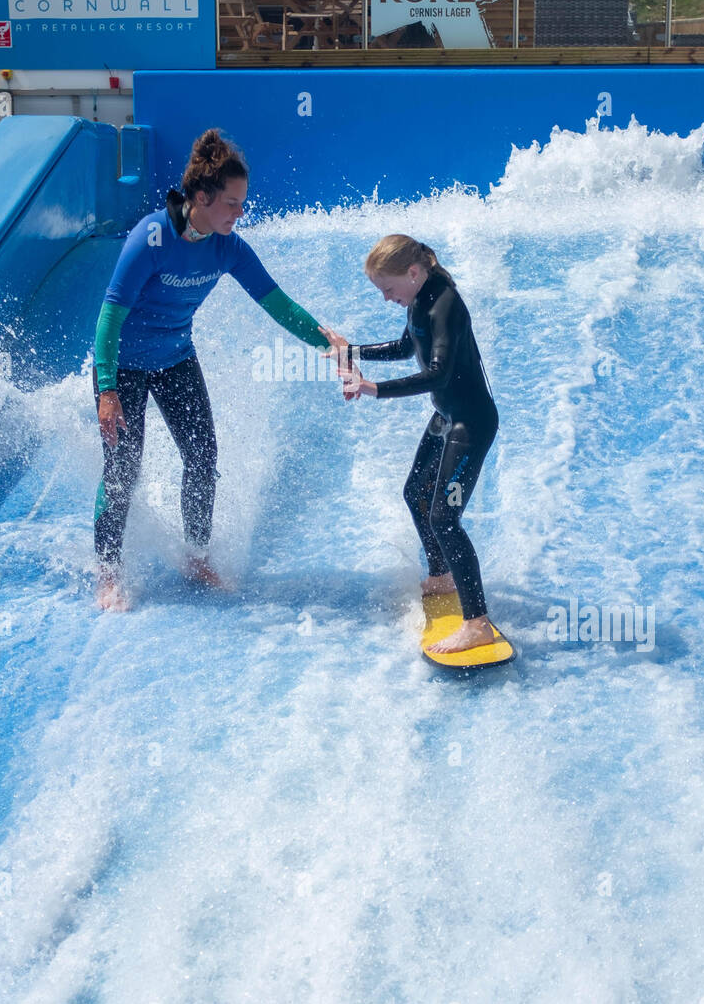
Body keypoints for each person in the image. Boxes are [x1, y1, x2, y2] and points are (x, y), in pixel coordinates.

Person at [93, 129, 332, 611]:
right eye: (231, 203)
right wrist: (106, 388)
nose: (239, 213)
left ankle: (196, 557)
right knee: (123, 468)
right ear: (200, 197)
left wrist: (328, 342)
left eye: (241, 203)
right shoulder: (152, 237)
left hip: (176, 358)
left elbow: (277, 305)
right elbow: (110, 315)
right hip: (124, 366)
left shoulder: (229, 248)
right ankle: (107, 572)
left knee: (203, 457)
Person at [324, 235, 498, 654]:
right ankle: (442, 574)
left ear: (413, 273)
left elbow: (437, 374)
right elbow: (408, 346)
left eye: (387, 289)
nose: (386, 298)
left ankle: (477, 623)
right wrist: (354, 351)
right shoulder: (418, 300)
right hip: (446, 418)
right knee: (415, 493)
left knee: (444, 519)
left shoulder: (445, 304)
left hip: (470, 424)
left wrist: (373, 388)